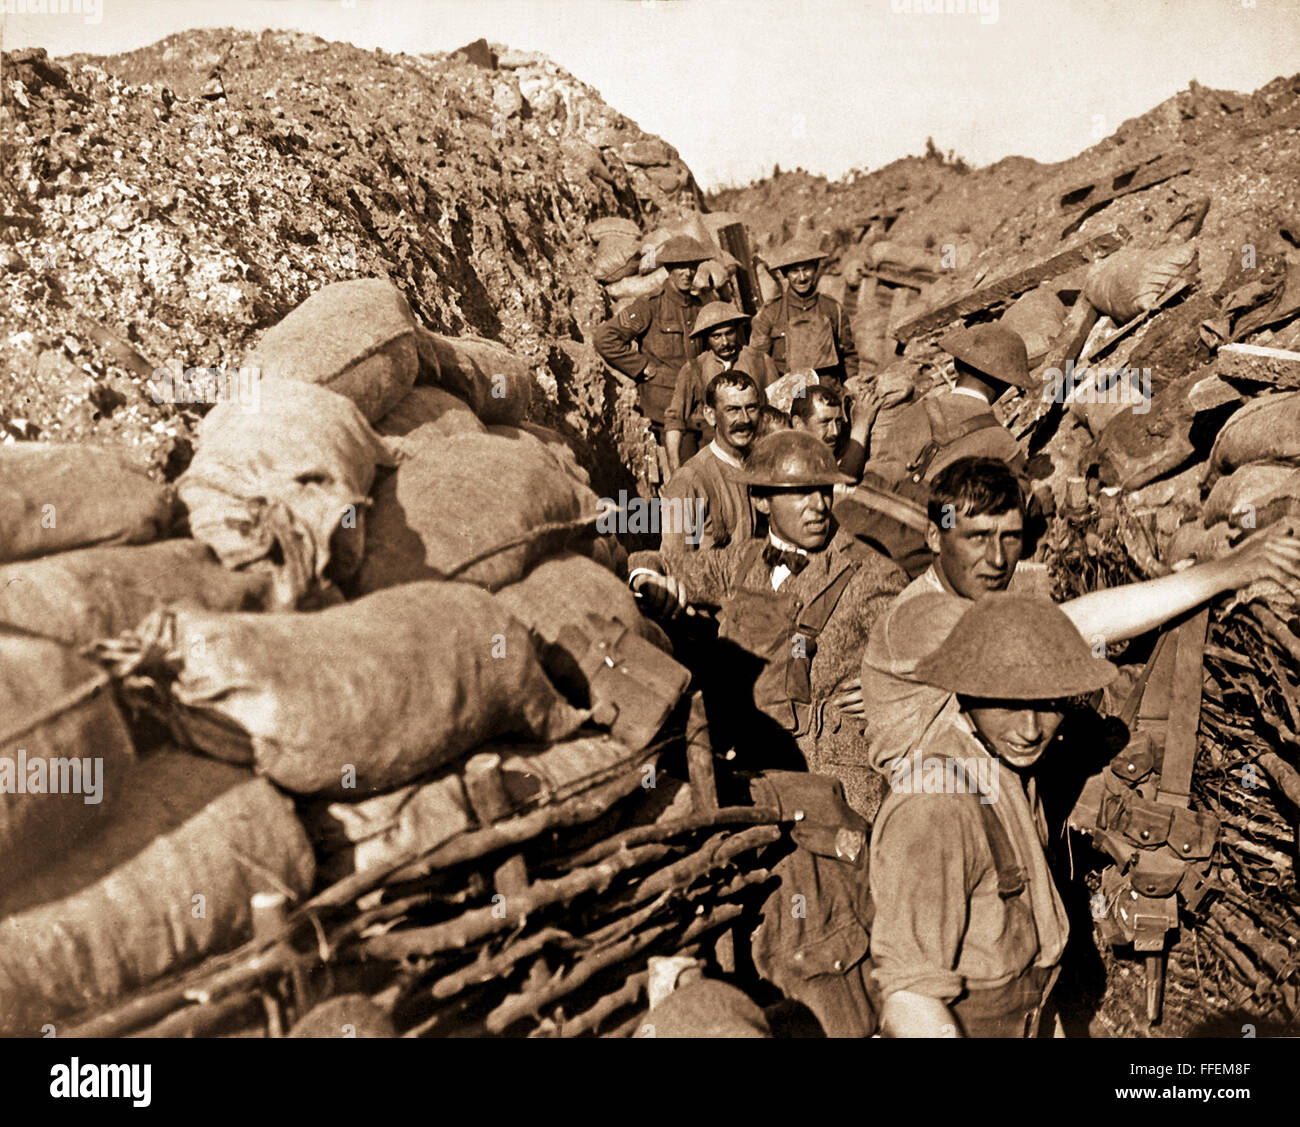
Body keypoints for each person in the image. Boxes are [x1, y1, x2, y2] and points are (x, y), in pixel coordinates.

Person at [859, 456, 1300, 796]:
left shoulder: (975, 599)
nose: (996, 560)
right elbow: (1066, 629)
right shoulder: (921, 616)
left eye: (1009, 537)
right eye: (976, 538)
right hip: (940, 830)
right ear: (935, 538)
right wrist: (1225, 572)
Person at [868, 593, 1118, 1038]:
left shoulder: (1007, 769)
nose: (1029, 730)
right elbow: (910, 1002)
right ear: (964, 691)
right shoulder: (935, 806)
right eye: (1007, 703)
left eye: (1049, 704)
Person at [628, 430, 906, 801]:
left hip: (832, 780)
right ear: (760, 499)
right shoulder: (740, 560)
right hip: (745, 768)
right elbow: (652, 560)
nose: (819, 506)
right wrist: (648, 579)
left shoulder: (873, 575)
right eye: (800, 492)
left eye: (824, 490)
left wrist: (887, 692)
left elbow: (930, 662)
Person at [837, 323, 1036, 577]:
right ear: (1006, 385)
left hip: (852, 520)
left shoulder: (917, 408)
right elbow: (1016, 513)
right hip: (912, 550)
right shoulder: (1004, 444)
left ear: (955, 366)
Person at [593, 235, 718, 446]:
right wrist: (642, 367)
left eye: (692, 267)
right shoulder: (650, 305)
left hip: (699, 406)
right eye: (680, 267)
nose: (687, 273)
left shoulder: (701, 307)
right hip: (664, 407)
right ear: (669, 269)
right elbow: (605, 338)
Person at [664, 302, 779, 472]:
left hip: (757, 454)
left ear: (737, 330)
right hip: (714, 459)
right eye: (716, 336)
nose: (725, 342)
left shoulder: (760, 361)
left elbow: (778, 412)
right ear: (706, 338)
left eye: (729, 333)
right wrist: (674, 465)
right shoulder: (694, 369)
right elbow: (675, 419)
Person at [657, 371, 760, 553]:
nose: (744, 419)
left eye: (751, 408)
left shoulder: (762, 468)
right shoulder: (689, 480)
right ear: (710, 415)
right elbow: (675, 563)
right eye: (733, 410)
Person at [750, 235, 858, 388]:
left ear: (815, 269)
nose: (801, 277)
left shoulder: (833, 309)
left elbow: (849, 355)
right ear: (785, 273)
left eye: (806, 269)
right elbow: (758, 361)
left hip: (827, 395)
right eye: (794, 271)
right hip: (791, 394)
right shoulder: (771, 313)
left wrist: (849, 388)